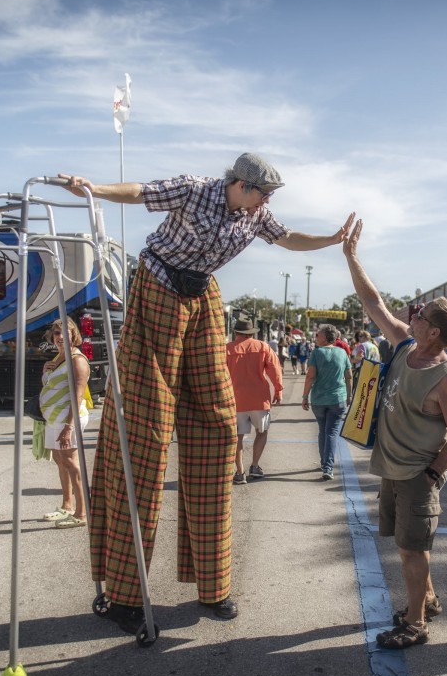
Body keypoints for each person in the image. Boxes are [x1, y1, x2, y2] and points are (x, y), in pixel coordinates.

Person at [58, 154, 352, 628]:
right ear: (238, 184)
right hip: (157, 288)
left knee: (218, 430)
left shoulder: (255, 214)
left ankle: (213, 586)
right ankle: (126, 596)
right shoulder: (195, 189)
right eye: (262, 192)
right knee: (146, 437)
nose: (266, 201)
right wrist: (93, 188)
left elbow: (288, 238)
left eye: (270, 196)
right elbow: (140, 193)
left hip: (201, 296)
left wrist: (332, 240)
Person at [342, 218, 447, 650]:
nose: (410, 317)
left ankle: (415, 623)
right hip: (392, 471)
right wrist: (351, 256)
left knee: (413, 551)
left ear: (434, 332)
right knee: (406, 546)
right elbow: (373, 301)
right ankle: (427, 599)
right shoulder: (403, 346)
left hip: (417, 474)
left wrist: (432, 475)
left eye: (420, 316)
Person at [38, 316, 92, 529]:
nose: (60, 337)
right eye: (57, 333)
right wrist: (45, 370)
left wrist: (69, 427)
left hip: (68, 419)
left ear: (73, 334)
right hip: (54, 418)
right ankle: (67, 506)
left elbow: (78, 395)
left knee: (71, 462)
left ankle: (81, 513)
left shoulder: (78, 360)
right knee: (60, 460)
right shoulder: (59, 357)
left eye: (64, 332)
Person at [226, 318, 283, 484]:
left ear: (236, 332)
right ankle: (255, 466)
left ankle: (239, 472)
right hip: (259, 399)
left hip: (235, 400)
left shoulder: (226, 349)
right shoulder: (262, 347)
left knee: (237, 437)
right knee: (262, 432)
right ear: (252, 332)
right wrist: (278, 389)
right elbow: (275, 369)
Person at [301, 324, 352, 480]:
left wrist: (305, 396)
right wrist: (349, 396)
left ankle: (326, 464)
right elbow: (349, 375)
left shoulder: (317, 353)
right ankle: (327, 466)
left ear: (324, 337)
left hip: (319, 400)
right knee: (331, 432)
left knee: (323, 431)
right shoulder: (342, 353)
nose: (316, 337)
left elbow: (310, 376)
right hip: (338, 399)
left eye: (318, 335)